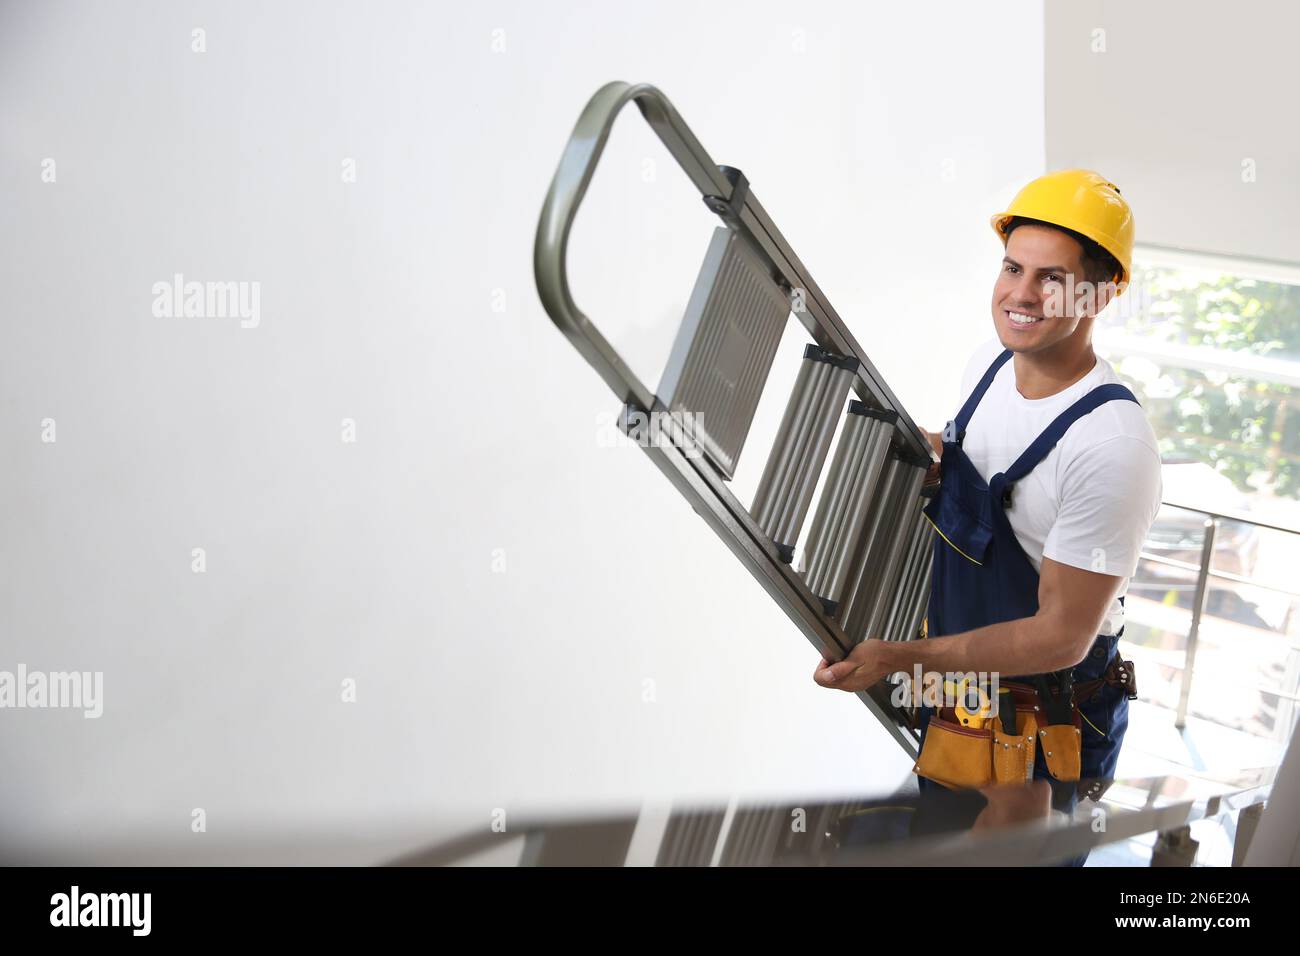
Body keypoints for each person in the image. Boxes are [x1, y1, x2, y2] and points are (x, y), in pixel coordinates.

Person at [813, 170, 1163, 866]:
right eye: (1013, 267)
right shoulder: (990, 363)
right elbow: (975, 461)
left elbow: (1060, 638)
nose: (1021, 295)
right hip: (967, 695)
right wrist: (897, 442)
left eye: (1052, 279)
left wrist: (904, 659)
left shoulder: (1113, 447)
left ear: (1101, 292)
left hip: (1042, 723)